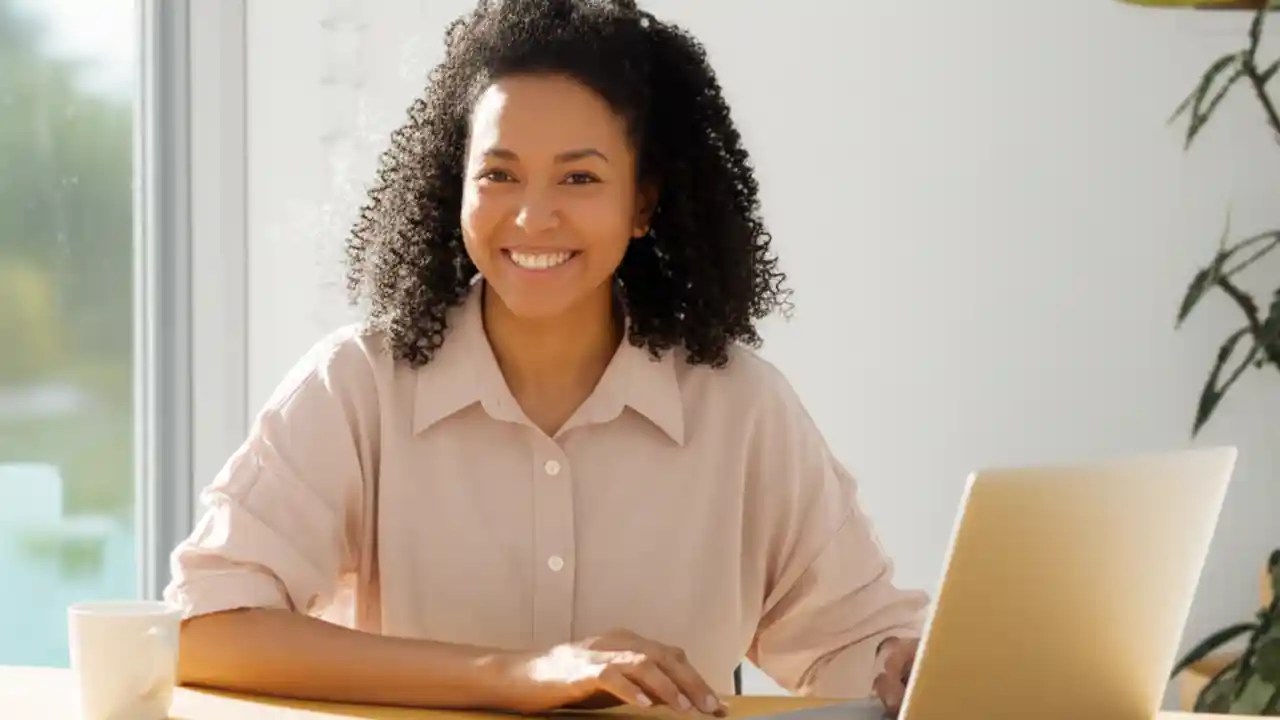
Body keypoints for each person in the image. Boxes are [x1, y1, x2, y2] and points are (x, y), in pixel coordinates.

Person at [164, 0, 930, 715]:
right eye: (498, 175)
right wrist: (517, 674)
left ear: (642, 204)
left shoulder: (741, 407)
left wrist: (906, 664)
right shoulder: (357, 386)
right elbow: (204, 627)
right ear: (454, 188)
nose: (532, 215)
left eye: (580, 177)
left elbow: (855, 644)